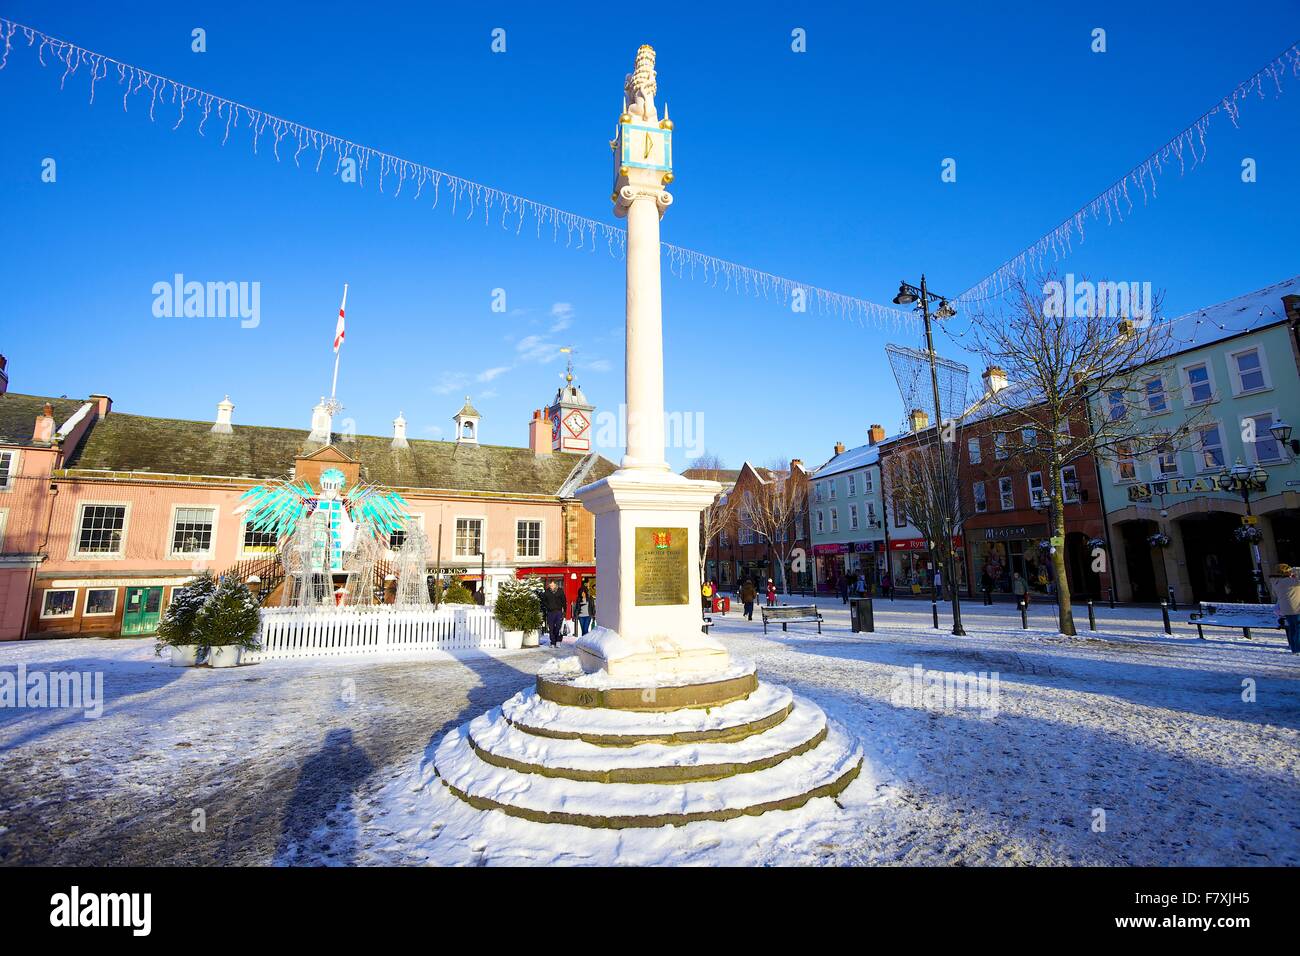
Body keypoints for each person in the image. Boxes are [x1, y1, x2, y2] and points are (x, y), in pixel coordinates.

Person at [1270, 565, 1300, 653]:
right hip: (1296, 608)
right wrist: (1296, 570)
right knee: (1298, 627)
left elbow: (1274, 595)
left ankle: (1294, 648)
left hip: (1285, 609)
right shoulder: (1290, 581)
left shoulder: (1275, 581)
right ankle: (1298, 648)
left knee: (1293, 627)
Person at [541, 580, 567, 647]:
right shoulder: (547, 592)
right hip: (550, 612)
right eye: (550, 585)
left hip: (558, 611)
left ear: (555, 585)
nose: (551, 586)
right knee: (551, 628)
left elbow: (564, 601)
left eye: (552, 585)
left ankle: (558, 641)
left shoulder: (560, 591)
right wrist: (547, 607)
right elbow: (544, 601)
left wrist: (565, 610)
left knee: (558, 627)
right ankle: (552, 642)